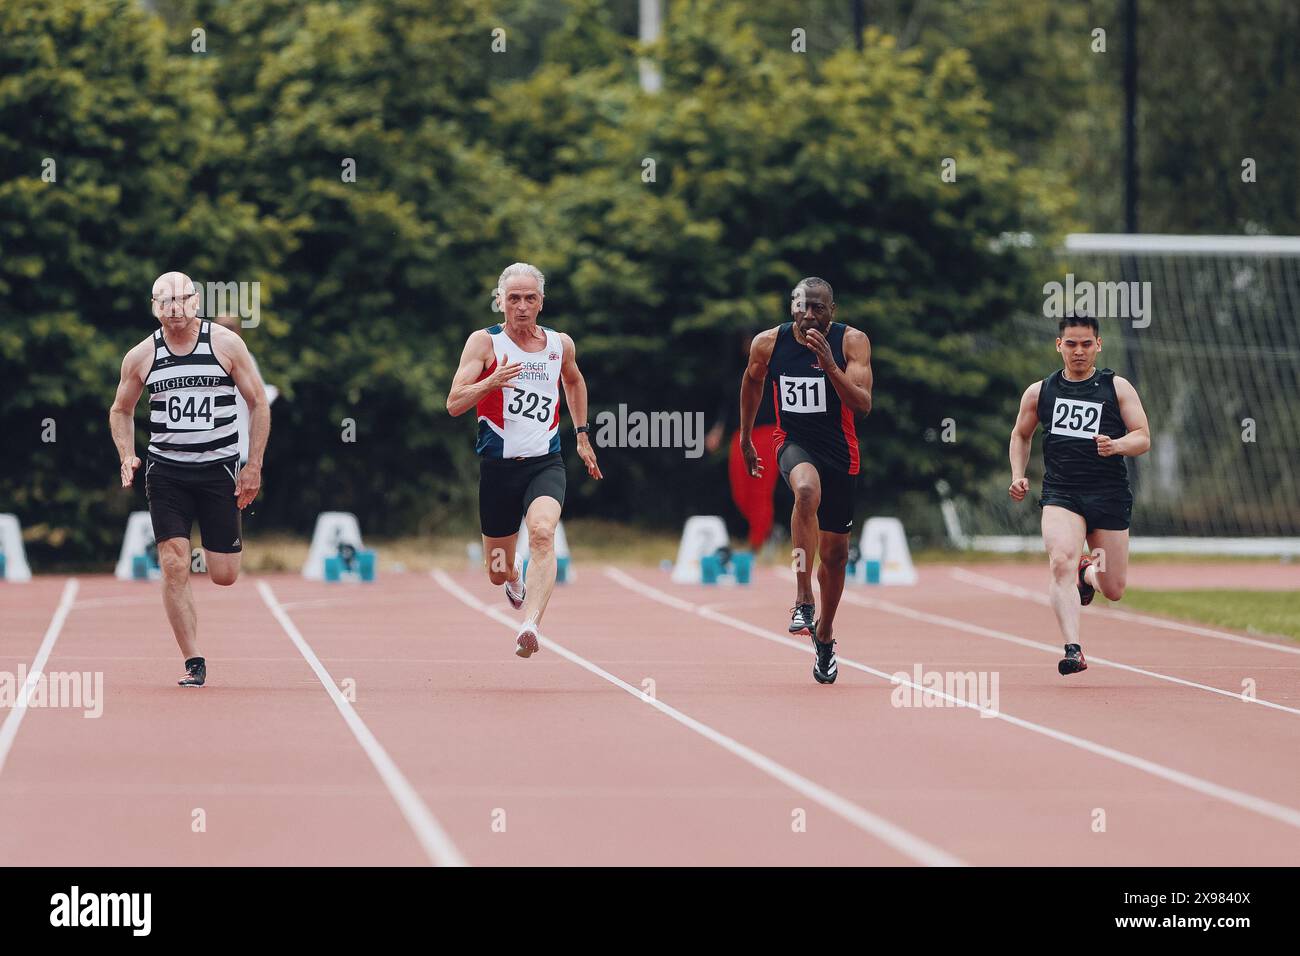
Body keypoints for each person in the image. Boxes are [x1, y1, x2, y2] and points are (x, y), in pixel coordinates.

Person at [109, 272, 271, 687]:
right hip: (167, 473)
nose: (174, 309)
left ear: (196, 302)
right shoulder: (142, 356)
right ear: (154, 307)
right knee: (174, 564)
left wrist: (252, 465)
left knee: (224, 574)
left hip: (218, 470)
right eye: (165, 302)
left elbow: (258, 403)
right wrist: (127, 454)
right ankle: (193, 660)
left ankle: (216, 549)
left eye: (182, 300)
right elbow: (121, 409)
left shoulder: (226, 344)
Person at [445, 262, 602, 658]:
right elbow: (453, 403)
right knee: (496, 572)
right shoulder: (484, 343)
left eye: (529, 298)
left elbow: (574, 380)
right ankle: (514, 574)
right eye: (513, 298)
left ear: (541, 302)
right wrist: (491, 382)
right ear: (500, 301)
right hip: (498, 469)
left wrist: (582, 436)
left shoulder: (559, 344)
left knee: (544, 533)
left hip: (544, 464)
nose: (521, 306)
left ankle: (530, 623)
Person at [738, 277, 873, 684]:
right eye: (802, 307)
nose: (809, 316)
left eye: (819, 309)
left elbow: (863, 405)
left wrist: (829, 365)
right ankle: (802, 598)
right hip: (792, 442)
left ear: (833, 310)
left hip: (841, 454)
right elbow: (752, 381)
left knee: (835, 559)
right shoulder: (768, 343)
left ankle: (826, 635)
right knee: (805, 490)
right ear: (791, 307)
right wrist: (746, 437)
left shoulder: (852, 342)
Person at [1008, 315, 1151, 675]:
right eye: (1071, 344)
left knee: (1113, 587)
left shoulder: (1117, 388)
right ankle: (1073, 649)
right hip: (1062, 494)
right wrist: (1018, 475)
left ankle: (1087, 574)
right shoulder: (1040, 392)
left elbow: (1143, 437)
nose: (1079, 351)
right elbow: (1021, 435)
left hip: (1108, 495)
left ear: (1098, 345)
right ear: (1059, 346)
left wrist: (1116, 444)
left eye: (1086, 344)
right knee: (1060, 560)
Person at [706, 332, 780, 553]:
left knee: (760, 490)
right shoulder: (737, 373)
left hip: (768, 433)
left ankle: (756, 543)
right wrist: (717, 432)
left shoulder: (775, 371)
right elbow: (727, 408)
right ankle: (768, 530)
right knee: (740, 492)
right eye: (747, 340)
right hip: (741, 434)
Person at [211, 315, 278, 468]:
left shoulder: (202, 359)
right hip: (225, 450)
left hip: (230, 449)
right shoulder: (246, 359)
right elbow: (263, 397)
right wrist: (274, 391)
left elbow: (258, 400)